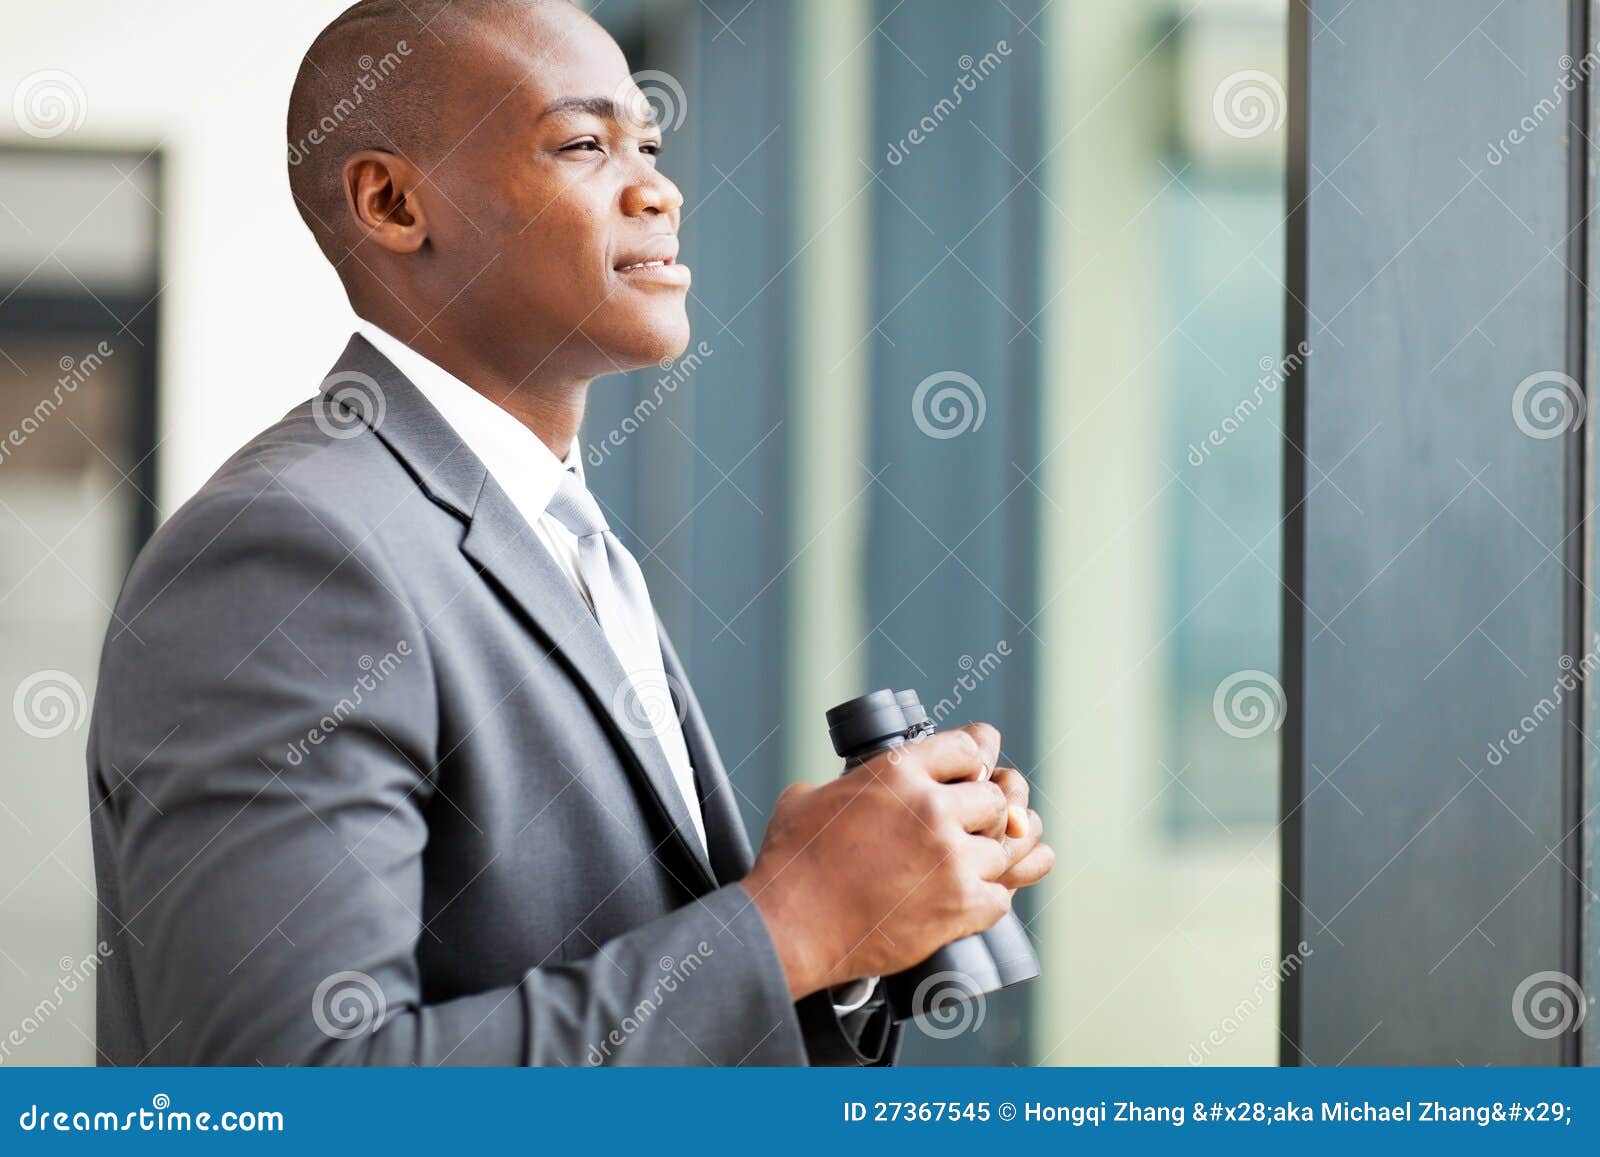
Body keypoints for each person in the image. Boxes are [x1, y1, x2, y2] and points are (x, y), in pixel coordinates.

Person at [86, 0, 1053, 1066]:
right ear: (394, 201)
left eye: (648, 141)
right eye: (586, 144)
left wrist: (859, 930)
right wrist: (790, 921)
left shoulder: (564, 534)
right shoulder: (289, 555)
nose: (659, 187)